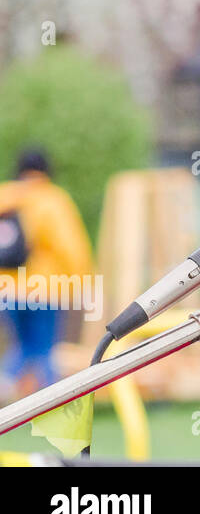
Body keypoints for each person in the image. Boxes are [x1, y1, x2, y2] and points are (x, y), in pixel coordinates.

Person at [0, 149, 96, 402]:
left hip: (6, 291)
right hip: (44, 290)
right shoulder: (52, 199)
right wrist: (84, 282)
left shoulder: (5, 197)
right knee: (44, 349)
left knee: (21, 346)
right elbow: (71, 248)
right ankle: (51, 404)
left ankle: (5, 382)